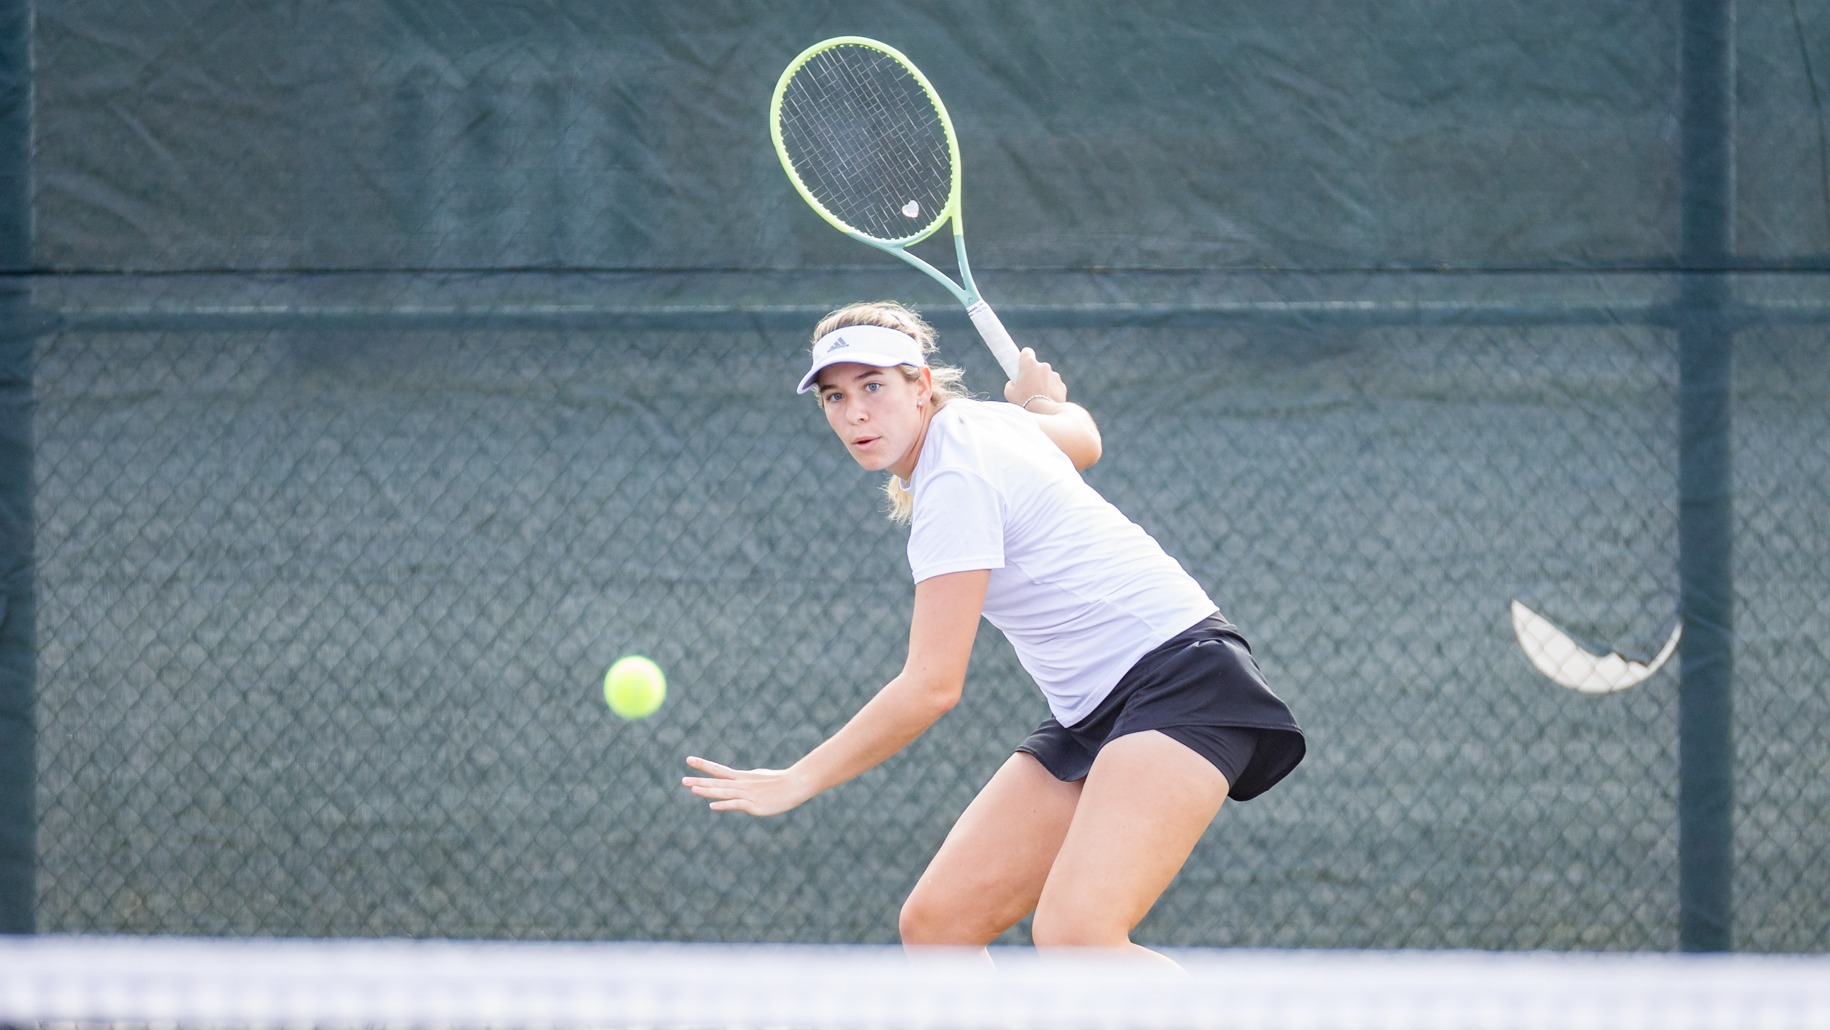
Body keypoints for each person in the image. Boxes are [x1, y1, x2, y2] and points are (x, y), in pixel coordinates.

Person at [682, 301, 1304, 962]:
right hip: (1093, 708)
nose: (856, 413)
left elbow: (931, 687)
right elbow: (1083, 438)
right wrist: (1039, 400)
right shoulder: (982, 421)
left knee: (1078, 934)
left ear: (920, 386)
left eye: (873, 386)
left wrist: (799, 778)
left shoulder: (954, 477)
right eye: (835, 396)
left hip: (1182, 680)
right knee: (939, 926)